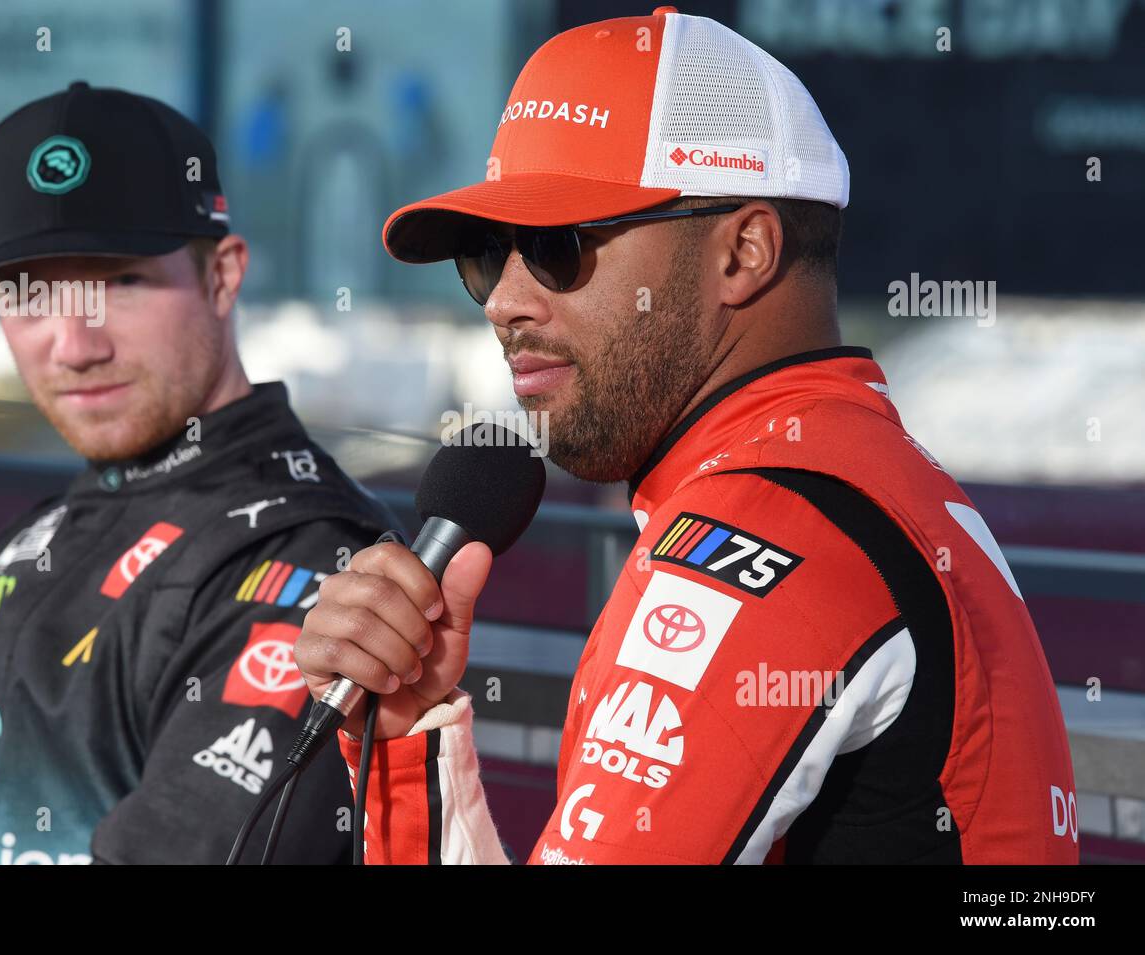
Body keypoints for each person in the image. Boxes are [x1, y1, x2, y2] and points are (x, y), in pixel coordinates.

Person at [293, 8, 1079, 864]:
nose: (502, 301)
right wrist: (409, 748)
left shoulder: (762, 533)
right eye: (488, 253)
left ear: (743, 252)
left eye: (559, 244)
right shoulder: (854, 472)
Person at [0, 82, 393, 864]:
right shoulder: (29, 544)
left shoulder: (317, 555)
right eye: (30, 293)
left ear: (224, 275)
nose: (73, 345)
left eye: (118, 282)